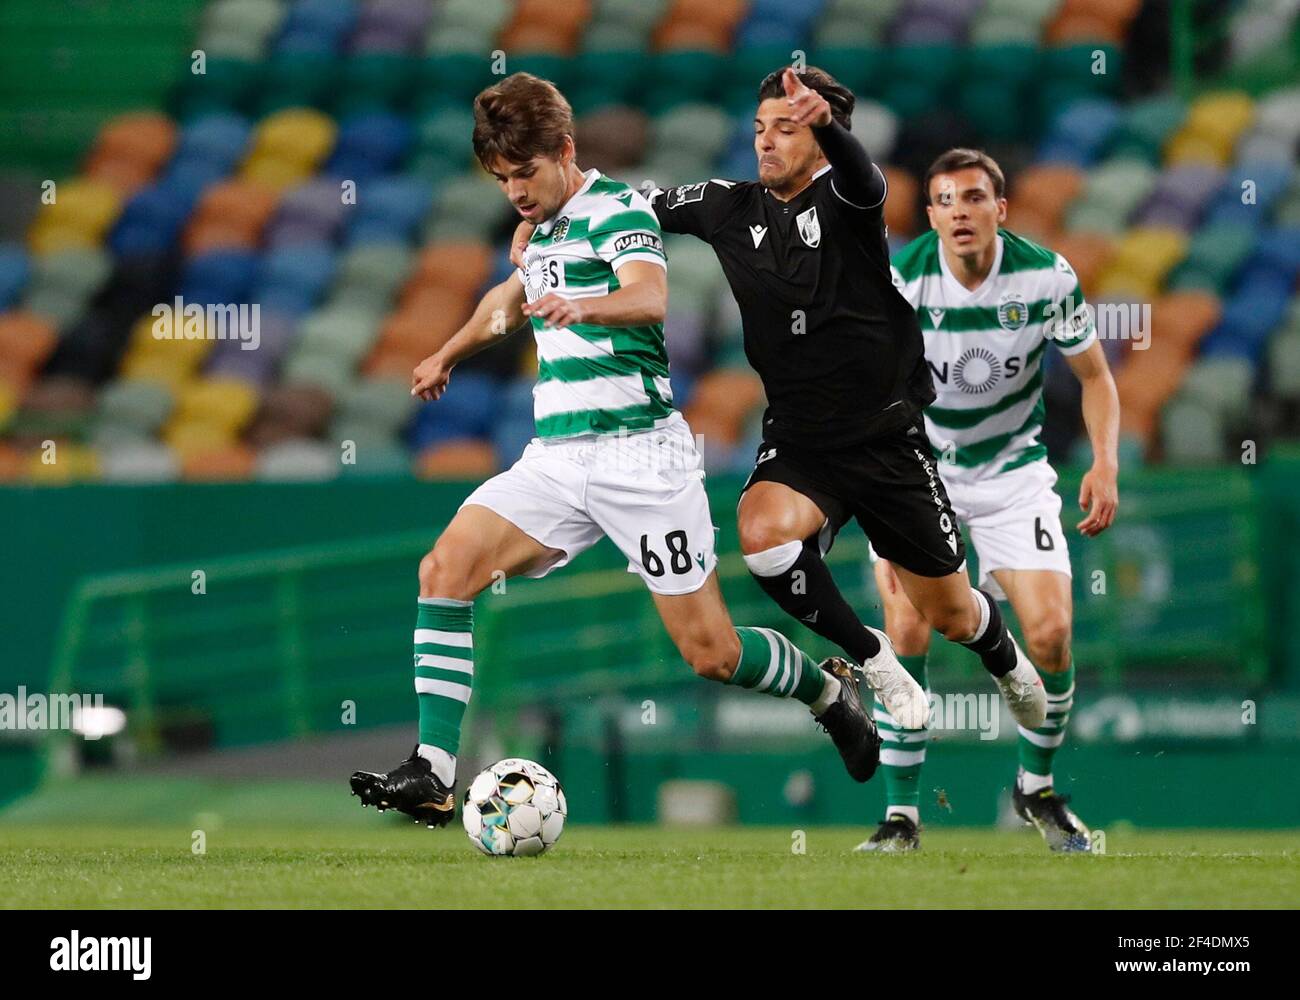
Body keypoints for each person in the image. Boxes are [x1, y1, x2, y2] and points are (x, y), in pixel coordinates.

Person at [350, 73, 882, 828]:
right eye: (501, 179)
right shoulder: (541, 229)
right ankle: (432, 772)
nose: (515, 191)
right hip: (557, 458)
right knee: (444, 571)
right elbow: (510, 302)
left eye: (525, 172)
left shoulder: (618, 210)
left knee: (712, 654)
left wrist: (585, 306)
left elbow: (648, 295)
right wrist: (448, 353)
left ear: (565, 150)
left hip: (641, 460)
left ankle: (827, 692)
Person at [860, 148, 1119, 853]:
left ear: (1000, 209)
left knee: (1052, 635)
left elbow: (1096, 378)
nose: (960, 212)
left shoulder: (1045, 277)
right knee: (906, 631)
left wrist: (1105, 462)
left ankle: (1037, 790)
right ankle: (901, 818)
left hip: (1013, 475)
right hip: (921, 475)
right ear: (931, 216)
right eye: (945, 201)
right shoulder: (902, 280)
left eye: (974, 198)